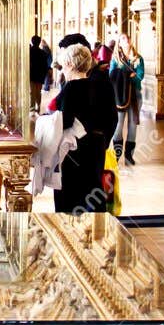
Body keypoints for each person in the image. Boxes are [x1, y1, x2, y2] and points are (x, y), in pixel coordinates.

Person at [53, 42, 109, 214]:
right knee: (93, 188)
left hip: (75, 149)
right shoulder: (99, 84)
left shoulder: (71, 88)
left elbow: (65, 121)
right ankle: (96, 226)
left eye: (63, 66)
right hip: (97, 145)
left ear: (70, 64)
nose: (63, 70)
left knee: (71, 192)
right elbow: (109, 117)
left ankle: (69, 228)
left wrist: (46, 121)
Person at [109, 37, 144, 166]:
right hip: (119, 96)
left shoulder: (138, 58)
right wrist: (128, 74)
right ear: (119, 43)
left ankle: (129, 156)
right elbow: (112, 75)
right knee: (118, 126)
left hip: (135, 95)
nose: (127, 40)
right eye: (123, 38)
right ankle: (117, 155)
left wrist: (124, 75)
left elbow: (139, 76)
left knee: (132, 125)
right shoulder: (115, 59)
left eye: (128, 38)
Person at [28, 35, 52, 111]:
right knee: (38, 92)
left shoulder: (29, 52)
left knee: (32, 92)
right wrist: (44, 75)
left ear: (32, 42)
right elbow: (45, 65)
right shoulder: (43, 53)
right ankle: (38, 107)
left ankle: (32, 108)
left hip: (31, 75)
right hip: (40, 76)